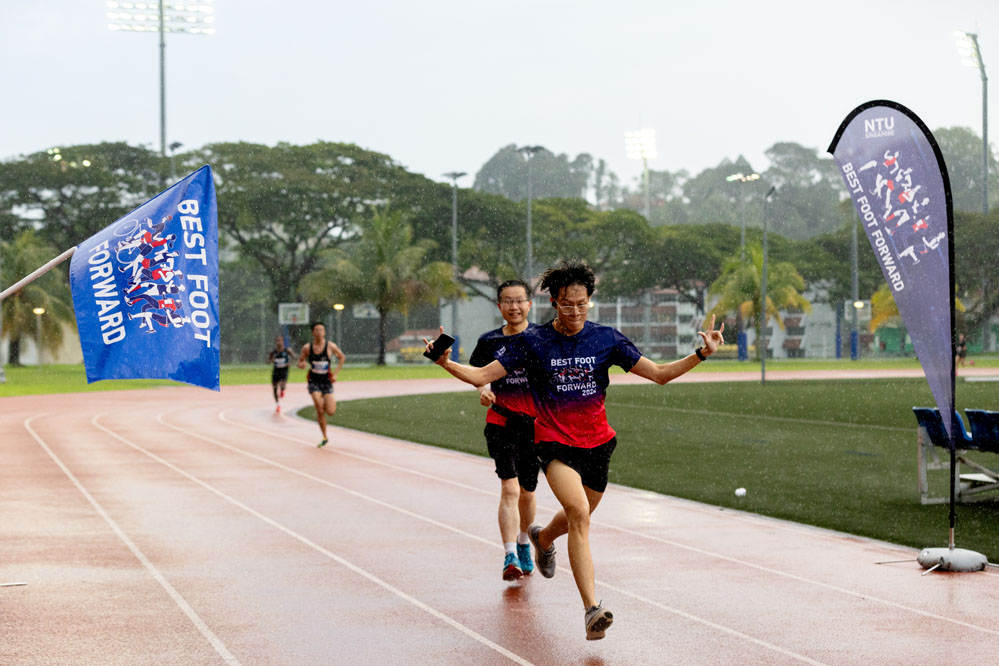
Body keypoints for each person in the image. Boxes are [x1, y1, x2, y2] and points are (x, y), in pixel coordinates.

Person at [424, 260, 724, 640]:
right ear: (553, 301)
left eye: (583, 305)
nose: (576, 312)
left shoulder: (606, 339)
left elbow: (660, 375)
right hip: (553, 442)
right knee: (579, 513)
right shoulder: (533, 342)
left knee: (574, 519)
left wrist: (702, 354)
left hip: (598, 444)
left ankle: (543, 538)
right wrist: (446, 362)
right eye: (568, 305)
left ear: (590, 302)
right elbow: (482, 376)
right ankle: (591, 609)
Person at [469, 279, 540, 582]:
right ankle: (509, 554)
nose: (514, 306)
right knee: (509, 488)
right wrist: (483, 389)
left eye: (519, 301)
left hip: (535, 427)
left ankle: (524, 541)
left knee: (527, 491)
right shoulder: (488, 342)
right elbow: (477, 374)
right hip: (501, 423)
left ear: (529, 304)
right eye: (508, 301)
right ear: (500, 306)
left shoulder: (542, 338)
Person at [297, 322, 346, 447]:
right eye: (317, 330)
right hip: (314, 381)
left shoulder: (330, 346)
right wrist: (301, 364)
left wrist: (335, 374)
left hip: (326, 382)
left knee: (330, 411)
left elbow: (342, 357)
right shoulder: (307, 348)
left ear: (324, 332)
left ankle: (326, 402)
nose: (319, 332)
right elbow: (301, 361)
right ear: (313, 333)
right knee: (319, 407)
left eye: (321, 330)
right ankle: (324, 436)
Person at [268, 335, 291, 413]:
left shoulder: (287, 350)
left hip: (284, 371)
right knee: (274, 389)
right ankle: (278, 405)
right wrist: (271, 360)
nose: (279, 342)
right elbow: (268, 361)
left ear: (283, 341)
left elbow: (295, 357)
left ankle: (282, 390)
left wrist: (289, 363)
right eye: (277, 340)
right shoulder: (273, 352)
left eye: (280, 340)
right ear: (275, 342)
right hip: (276, 372)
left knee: (282, 385)